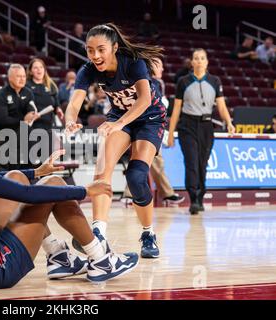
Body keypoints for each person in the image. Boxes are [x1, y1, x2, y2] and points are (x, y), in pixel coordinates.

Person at [0, 101, 139, 289]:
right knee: (53, 185)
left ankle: (59, 256)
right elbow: (28, 194)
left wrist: (35, 172)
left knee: (16, 176)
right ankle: (100, 258)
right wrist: (85, 190)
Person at [65, 23, 166, 259]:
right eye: (90, 50)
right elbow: (74, 103)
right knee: (102, 172)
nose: (96, 55)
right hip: (121, 117)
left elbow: (143, 100)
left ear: (115, 47)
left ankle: (148, 233)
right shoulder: (88, 70)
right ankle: (98, 233)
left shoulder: (132, 62)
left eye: (101, 49)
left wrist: (119, 124)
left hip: (150, 118)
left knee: (136, 177)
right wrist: (70, 120)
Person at [167, 48, 235, 215]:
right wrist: (170, 133)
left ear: (207, 62)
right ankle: (193, 199)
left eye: (202, 58)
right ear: (192, 62)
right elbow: (176, 109)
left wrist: (229, 123)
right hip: (187, 126)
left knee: (202, 164)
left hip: (206, 126)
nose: (198, 61)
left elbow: (221, 106)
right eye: (196, 58)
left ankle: (201, 195)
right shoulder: (183, 81)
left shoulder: (215, 81)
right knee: (191, 162)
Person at [124, 58, 184, 205]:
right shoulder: (145, 81)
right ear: (152, 67)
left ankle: (130, 194)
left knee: (146, 161)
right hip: (144, 128)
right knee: (148, 160)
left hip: (152, 128)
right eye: (160, 66)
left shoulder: (158, 84)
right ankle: (165, 194)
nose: (162, 70)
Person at [0, 64, 38, 171]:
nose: (22, 79)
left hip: (20, 137)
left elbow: (31, 110)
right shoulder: (0, 95)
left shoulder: (28, 92)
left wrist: (32, 115)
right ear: (10, 78)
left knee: (18, 172)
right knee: (2, 174)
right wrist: (23, 120)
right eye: (18, 76)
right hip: (3, 137)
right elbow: (3, 120)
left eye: (24, 76)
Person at [26, 58, 64, 165]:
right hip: (32, 128)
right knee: (33, 161)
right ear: (30, 71)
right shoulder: (27, 85)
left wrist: (58, 109)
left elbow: (55, 103)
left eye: (41, 67)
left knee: (47, 162)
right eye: (36, 68)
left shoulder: (50, 85)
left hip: (47, 128)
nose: (39, 70)